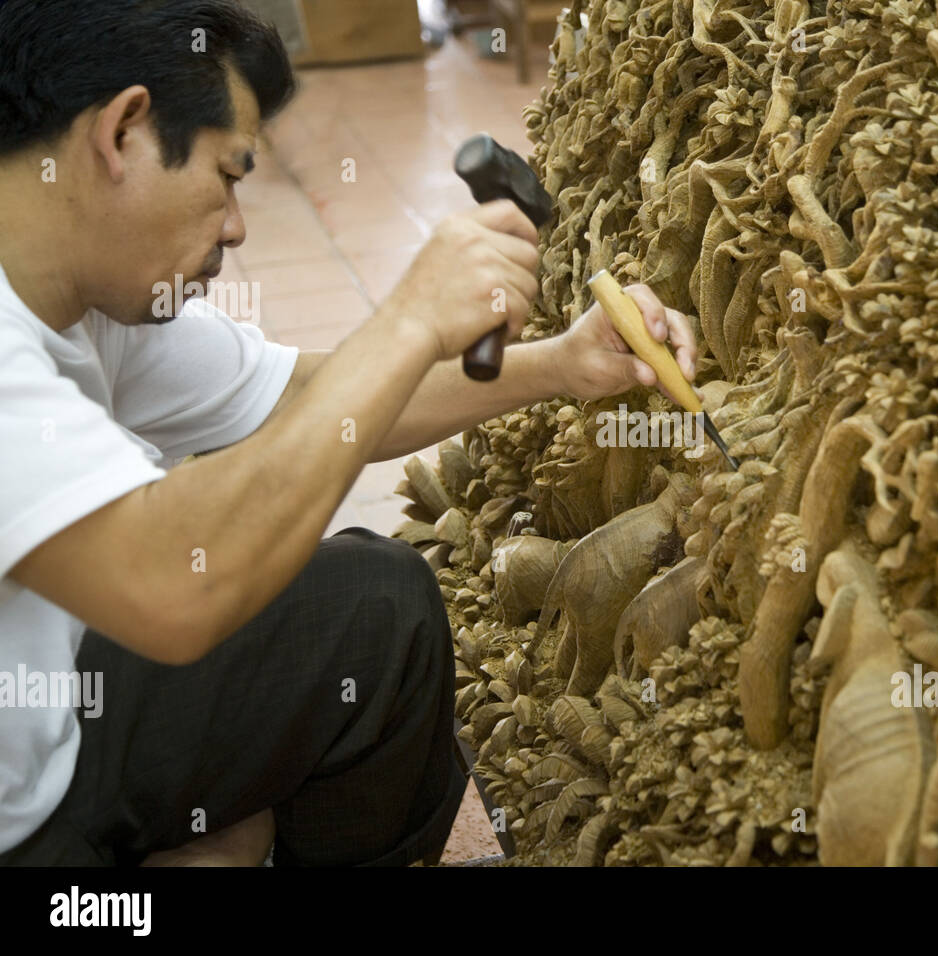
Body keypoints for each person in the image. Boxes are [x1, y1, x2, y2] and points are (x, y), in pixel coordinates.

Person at [0, 0, 697, 866]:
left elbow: (311, 399)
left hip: (55, 699)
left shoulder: (84, 282)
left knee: (377, 606)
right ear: (124, 132)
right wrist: (406, 321)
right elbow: (169, 590)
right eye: (227, 175)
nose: (237, 225)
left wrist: (563, 364)